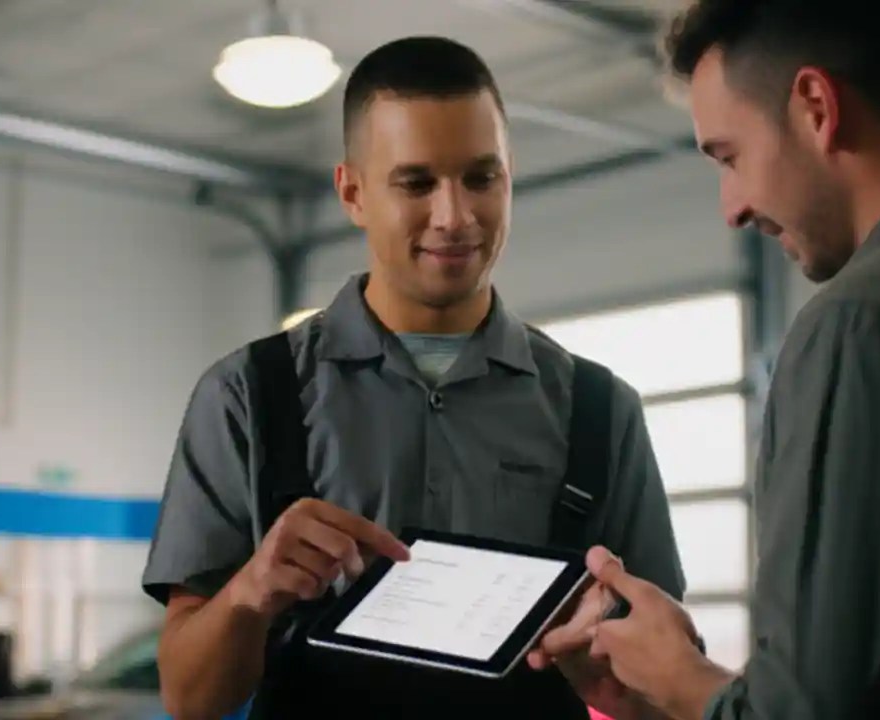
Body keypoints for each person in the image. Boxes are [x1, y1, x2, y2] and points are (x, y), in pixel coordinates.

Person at [531, 1, 880, 719]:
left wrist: (681, 677)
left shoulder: (872, 321)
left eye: (729, 157)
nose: (731, 207)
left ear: (816, 107)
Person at [140, 36, 687, 720]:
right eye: (417, 182)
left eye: (482, 178)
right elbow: (190, 699)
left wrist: (607, 651)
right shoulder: (246, 397)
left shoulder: (601, 411)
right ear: (353, 192)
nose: (455, 217)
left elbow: (658, 691)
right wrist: (251, 592)